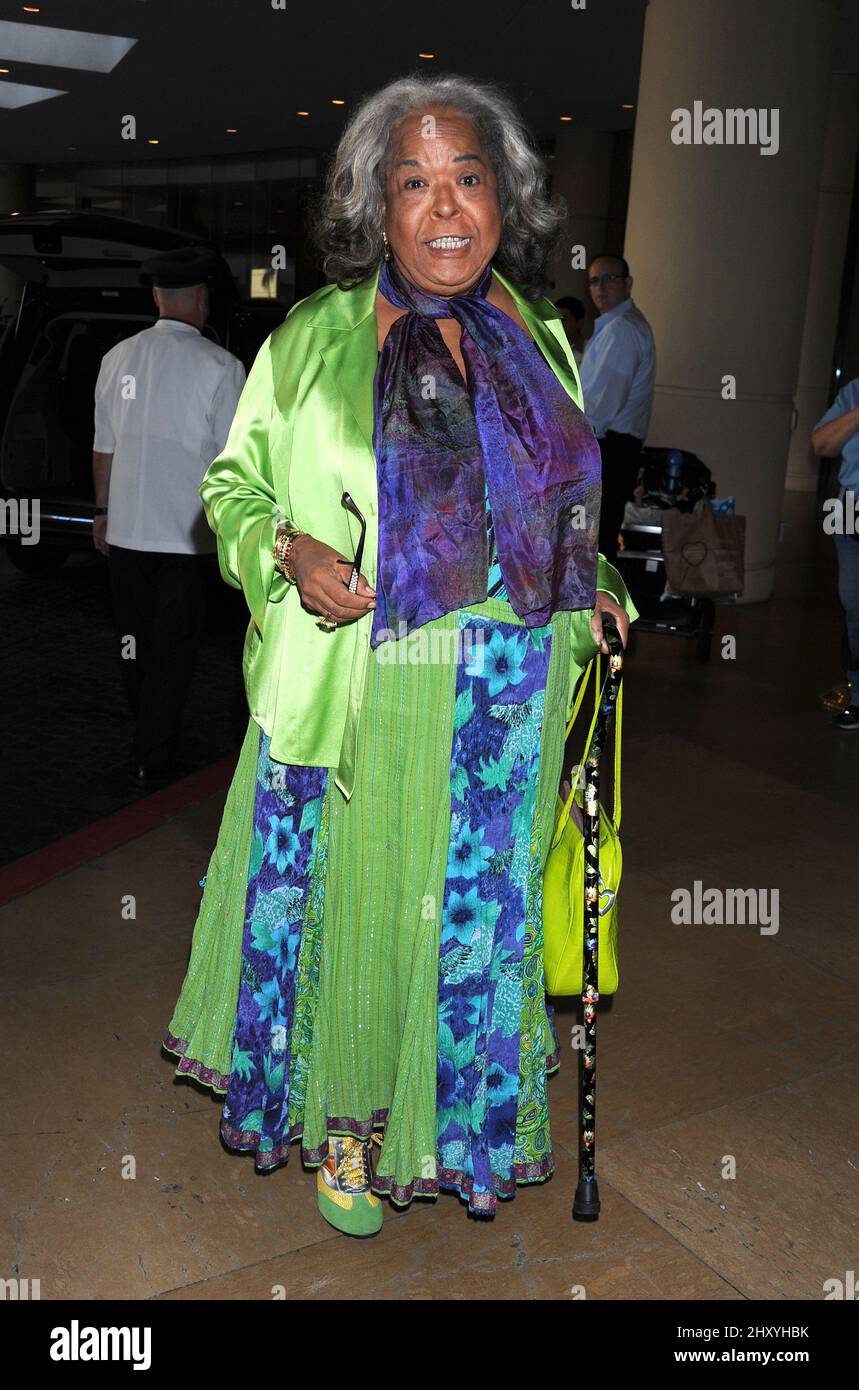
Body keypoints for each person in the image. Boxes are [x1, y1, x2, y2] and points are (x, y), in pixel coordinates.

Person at [162, 73, 637, 1238]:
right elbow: (229, 487)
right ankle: (345, 1123)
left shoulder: (540, 340)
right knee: (369, 904)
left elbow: (571, 511)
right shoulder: (310, 340)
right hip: (365, 681)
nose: (442, 207)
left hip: (508, 693)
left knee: (472, 919)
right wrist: (285, 546)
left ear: (501, 197)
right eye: (412, 181)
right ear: (376, 207)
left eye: (466, 178)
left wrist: (609, 587)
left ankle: (453, 1123)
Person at [92, 246, 246, 784]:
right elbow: (235, 458)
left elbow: (103, 448)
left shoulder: (116, 359)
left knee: (134, 641)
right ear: (201, 300)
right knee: (175, 649)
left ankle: (146, 737)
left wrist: (104, 512)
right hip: (190, 540)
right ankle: (153, 754)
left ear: (157, 297)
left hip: (129, 534)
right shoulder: (222, 367)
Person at [579, 253, 656, 560]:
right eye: (594, 280)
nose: (601, 287)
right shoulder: (616, 325)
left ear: (628, 283)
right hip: (612, 446)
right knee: (599, 536)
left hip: (609, 446)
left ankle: (599, 606)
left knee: (596, 540)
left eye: (610, 278)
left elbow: (600, 407)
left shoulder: (622, 329)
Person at [811, 379, 859, 729]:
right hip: (851, 507)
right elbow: (822, 443)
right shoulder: (854, 391)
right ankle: (857, 694)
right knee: (854, 602)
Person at [554, 294, 586, 365]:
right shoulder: (550, 352)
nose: (559, 325)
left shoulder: (590, 352)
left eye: (564, 319)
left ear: (579, 323)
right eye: (556, 320)